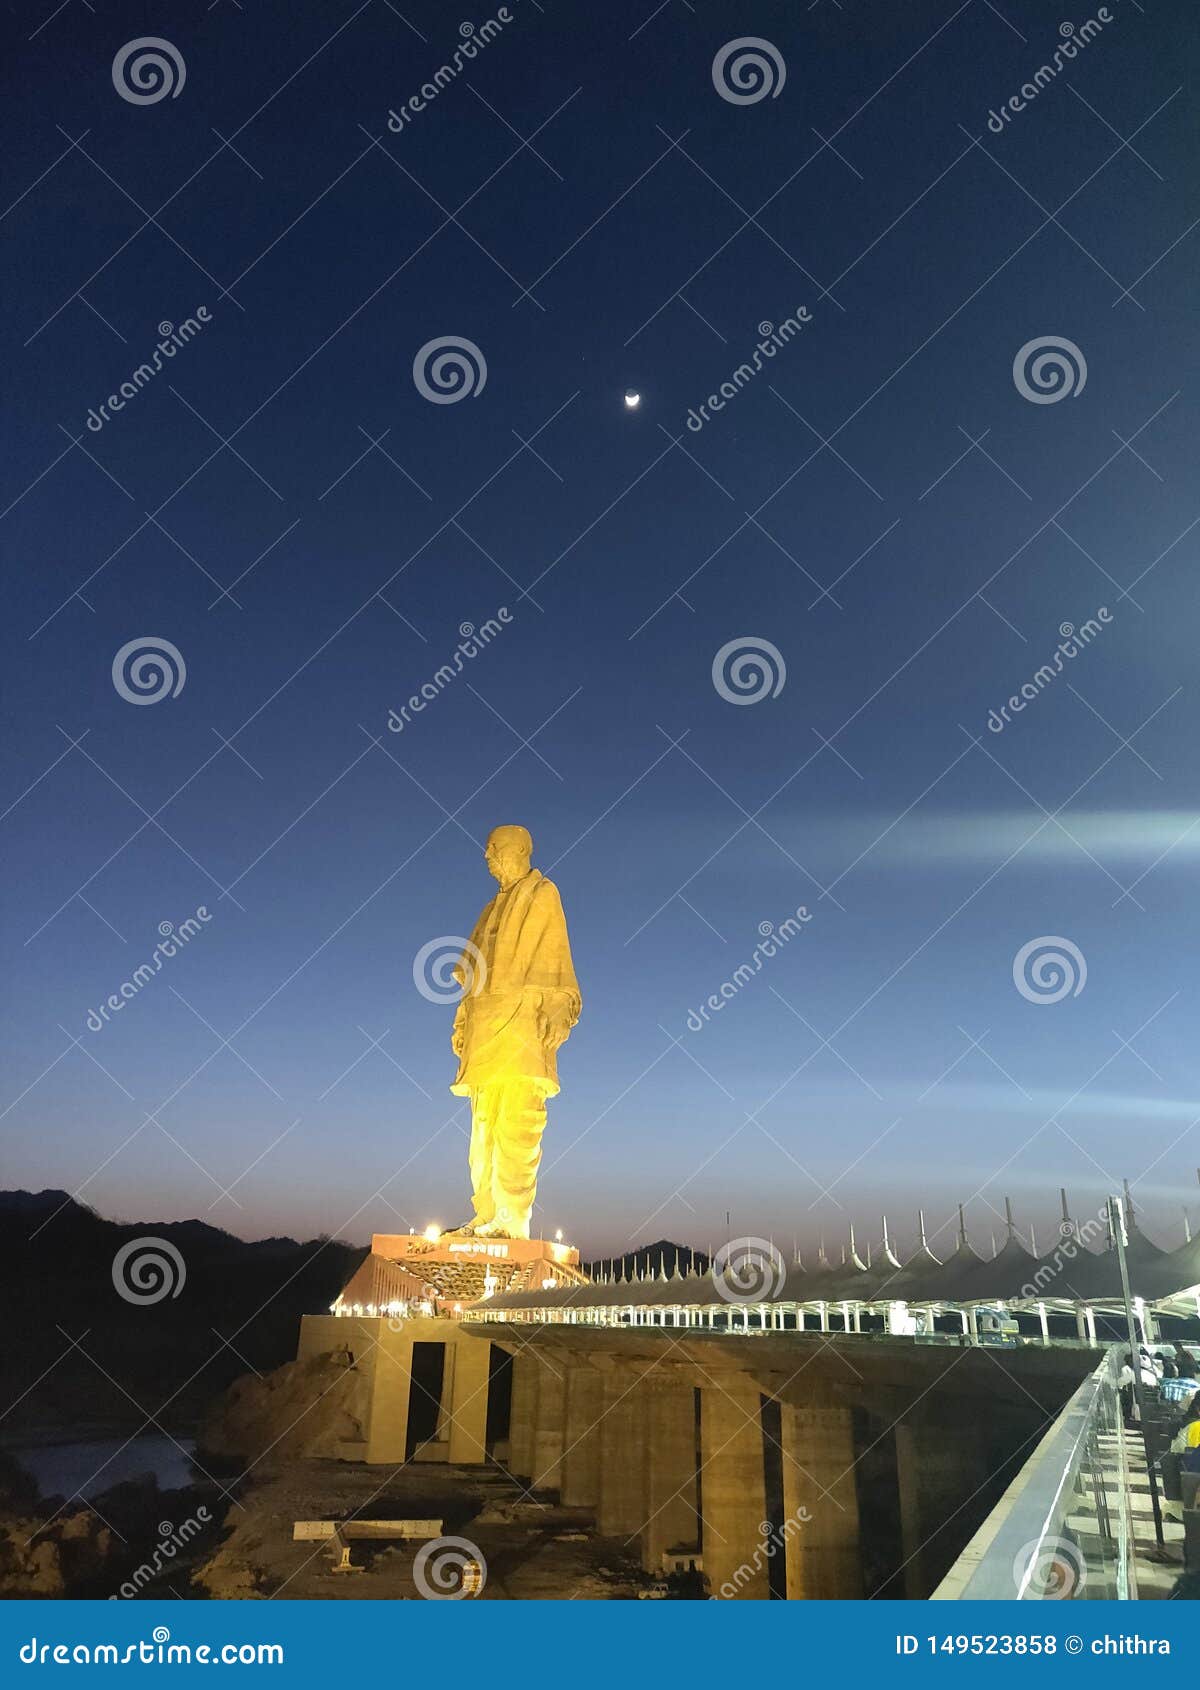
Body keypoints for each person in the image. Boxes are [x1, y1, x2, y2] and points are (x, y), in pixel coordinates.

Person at [448, 825, 581, 1240]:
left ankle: (510, 1219)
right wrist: (463, 1020)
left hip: (522, 1023)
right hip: (484, 1027)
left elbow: (557, 961)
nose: (487, 856)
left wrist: (557, 1008)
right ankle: (486, 1212)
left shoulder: (542, 894)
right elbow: (472, 974)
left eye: (494, 848)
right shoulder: (490, 909)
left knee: (518, 1122)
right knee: (483, 1127)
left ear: (518, 850)